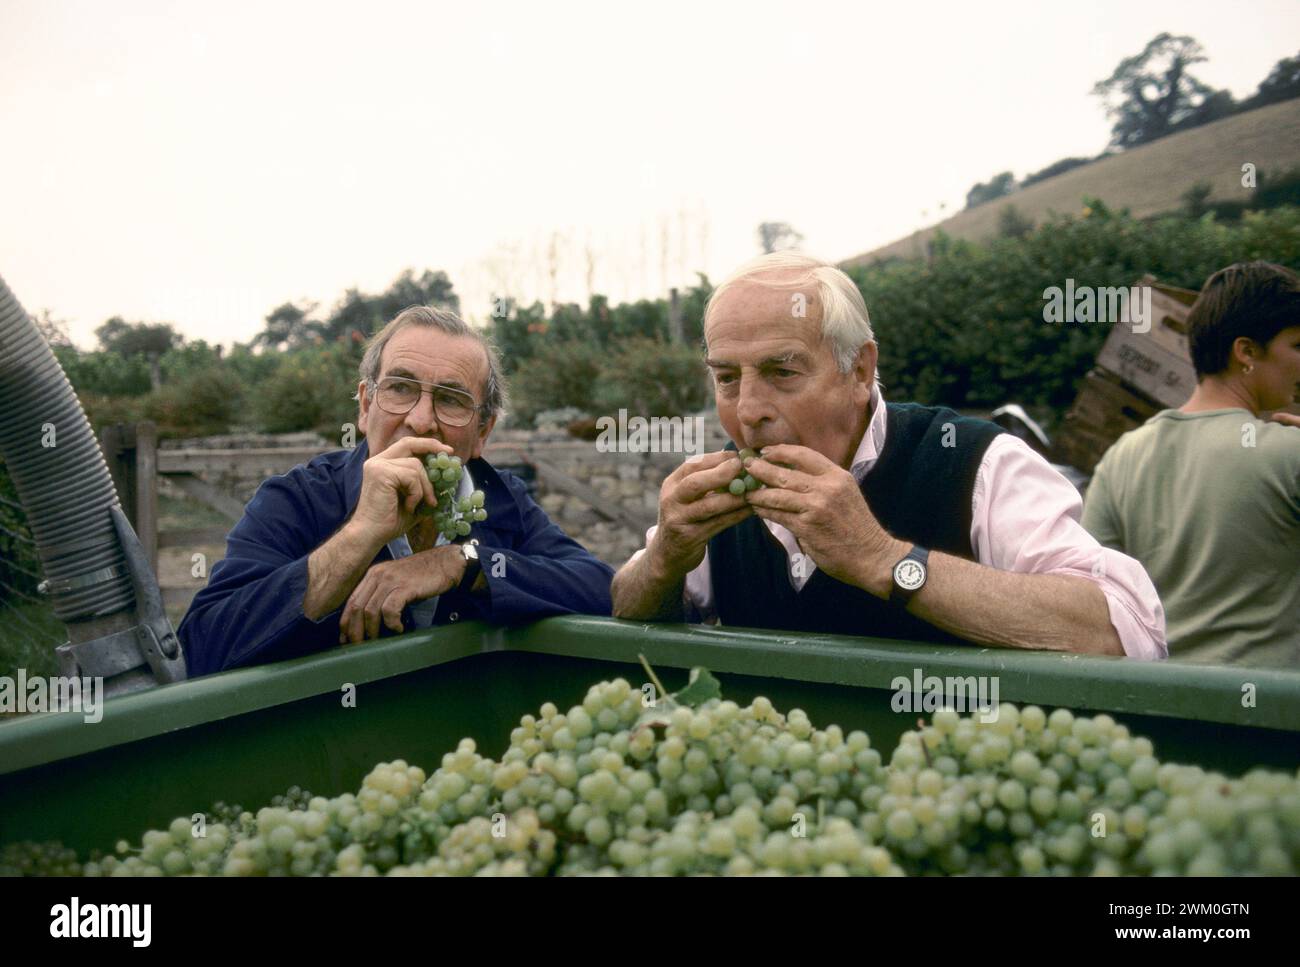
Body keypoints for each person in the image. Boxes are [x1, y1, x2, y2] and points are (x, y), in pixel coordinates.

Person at [611, 252, 1166, 658]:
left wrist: (884, 560)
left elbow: (1127, 630)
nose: (749, 409)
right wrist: (665, 561)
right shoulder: (713, 502)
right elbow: (624, 605)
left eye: (782, 372)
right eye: (727, 378)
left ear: (860, 370)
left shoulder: (977, 462)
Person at [179, 306, 614, 676]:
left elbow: (602, 590)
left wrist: (463, 564)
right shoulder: (295, 500)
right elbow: (202, 651)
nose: (422, 419)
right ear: (366, 406)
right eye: (401, 388)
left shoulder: (499, 499)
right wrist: (360, 535)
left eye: (451, 400)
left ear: (483, 431)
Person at [1083, 262, 1300, 666]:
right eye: (1298, 346)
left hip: (1160, 709)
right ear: (1247, 353)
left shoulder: (1122, 457)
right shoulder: (1289, 453)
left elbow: (1088, 587)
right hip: (1272, 718)